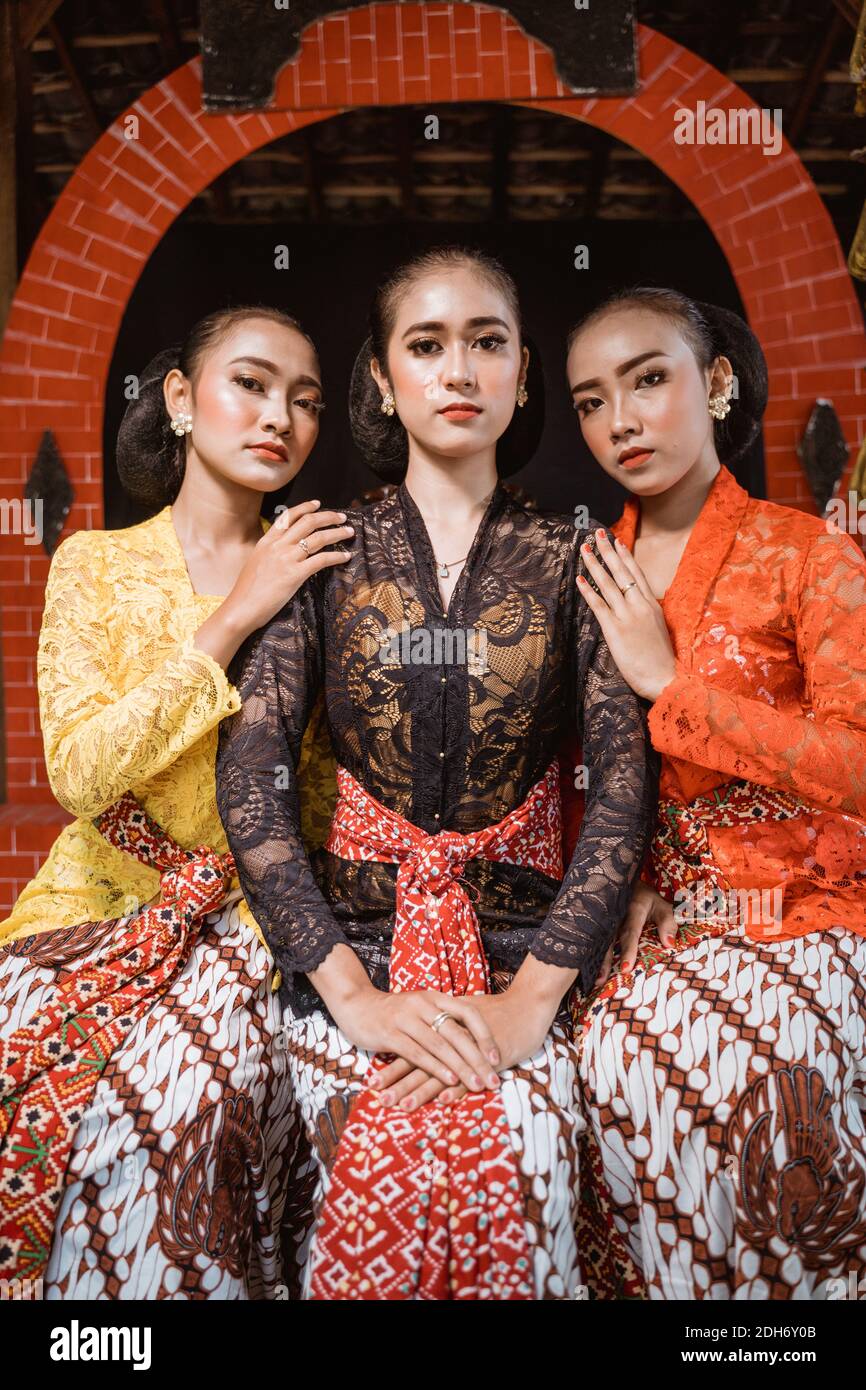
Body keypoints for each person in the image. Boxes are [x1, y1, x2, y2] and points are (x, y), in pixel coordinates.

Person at [216, 247, 659, 1300]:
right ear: (381, 376)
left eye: (485, 342)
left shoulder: (575, 556)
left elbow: (620, 787)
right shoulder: (321, 548)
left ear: (519, 372)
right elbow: (253, 771)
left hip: (528, 953)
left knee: (536, 1144)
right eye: (426, 345)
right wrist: (353, 996)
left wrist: (528, 1007)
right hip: (351, 948)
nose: (457, 370)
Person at [0, 306, 354, 1298]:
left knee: (185, 1108)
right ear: (181, 400)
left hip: (252, 917)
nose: (279, 414)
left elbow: (325, 790)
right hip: (98, 900)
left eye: (305, 398)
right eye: (250, 383)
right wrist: (239, 607)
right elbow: (79, 772)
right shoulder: (95, 564)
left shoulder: (322, 566)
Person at [566, 285, 866, 1299]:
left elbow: (855, 766)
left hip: (805, 905)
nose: (621, 420)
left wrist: (670, 685)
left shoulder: (805, 552)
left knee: (767, 1065)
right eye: (590, 400)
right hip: (659, 915)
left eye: (647, 379)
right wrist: (633, 875)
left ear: (717, 382)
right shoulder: (589, 571)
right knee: (605, 1062)